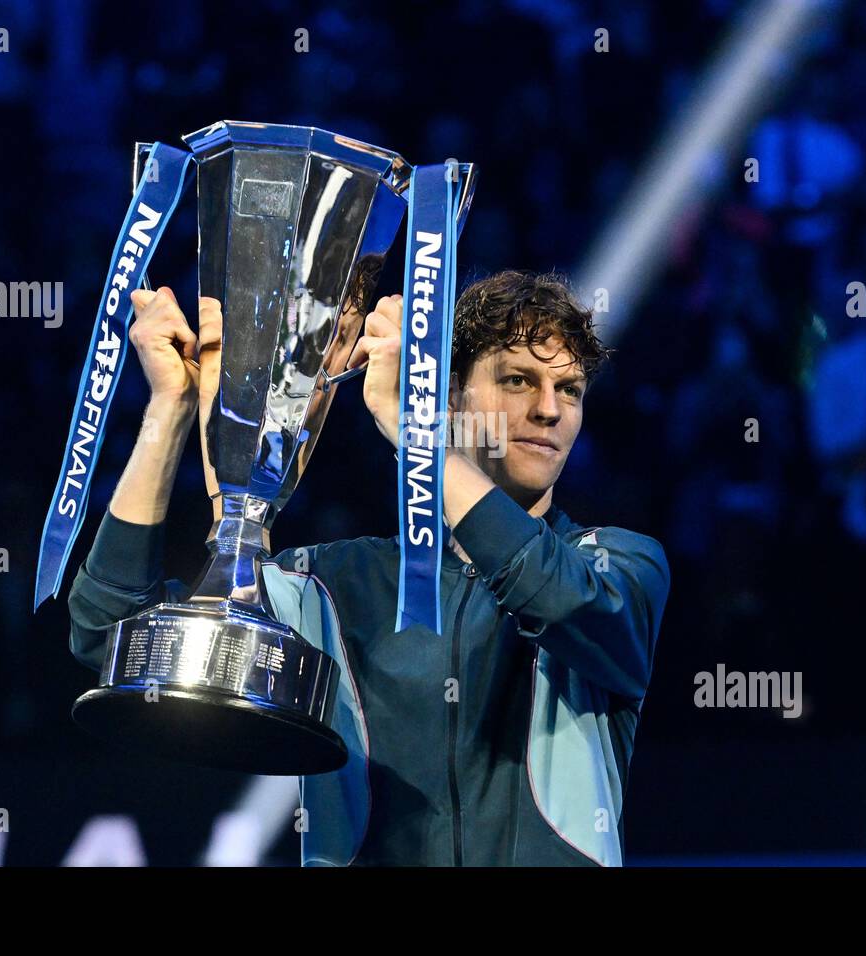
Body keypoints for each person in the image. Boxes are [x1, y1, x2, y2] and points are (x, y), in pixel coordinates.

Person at [67, 270, 670, 866]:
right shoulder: (333, 588)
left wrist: (417, 437)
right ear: (451, 394)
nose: (549, 410)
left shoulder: (619, 566)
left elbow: (554, 594)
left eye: (570, 390)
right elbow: (113, 635)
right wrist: (168, 410)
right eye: (519, 380)